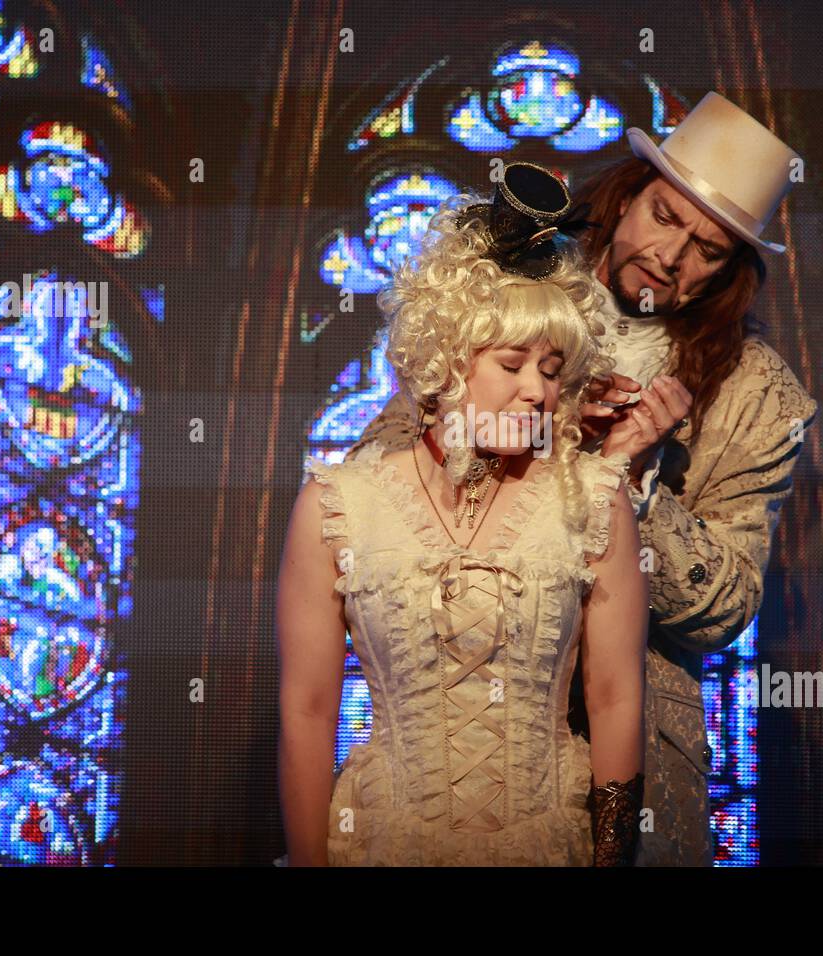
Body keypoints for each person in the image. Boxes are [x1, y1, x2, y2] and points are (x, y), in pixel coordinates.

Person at [348, 93, 820, 865]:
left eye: (709, 248)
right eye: (665, 216)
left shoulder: (757, 397)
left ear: (733, 269)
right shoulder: (505, 303)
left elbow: (727, 606)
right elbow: (376, 477)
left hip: (635, 754)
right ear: (627, 195)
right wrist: (532, 431)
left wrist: (635, 481)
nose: (671, 256)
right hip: (460, 721)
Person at [278, 162, 649, 866]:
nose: (538, 391)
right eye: (513, 365)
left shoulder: (594, 501)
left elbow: (613, 697)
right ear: (447, 361)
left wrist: (611, 862)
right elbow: (306, 711)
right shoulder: (338, 506)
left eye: (552, 368)